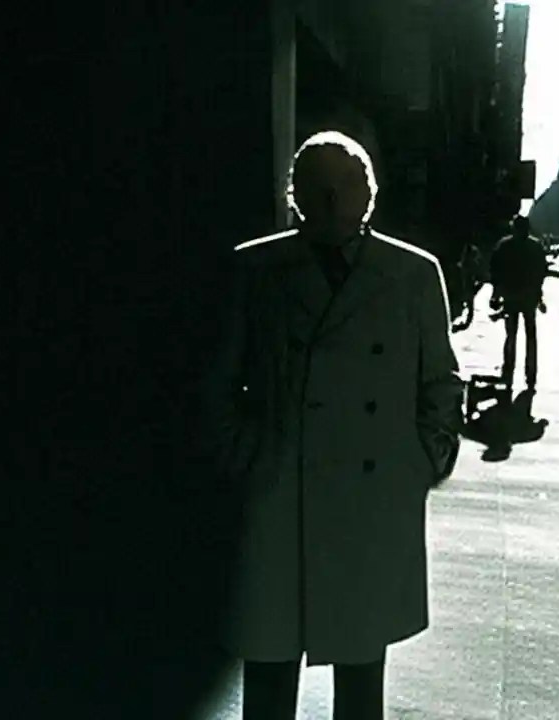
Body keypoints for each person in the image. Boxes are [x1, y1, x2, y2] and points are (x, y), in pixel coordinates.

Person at [200, 130, 464, 720]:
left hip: (369, 503)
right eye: (314, 186)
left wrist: (420, 461)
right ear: (294, 194)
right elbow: (218, 381)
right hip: (277, 496)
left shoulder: (413, 275)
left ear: (367, 195)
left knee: (361, 678)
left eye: (343, 187)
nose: (328, 200)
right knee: (268, 672)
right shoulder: (256, 268)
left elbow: (442, 383)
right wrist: (244, 456)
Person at [489, 215, 549, 391]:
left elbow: (496, 271)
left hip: (511, 296)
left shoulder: (505, 246)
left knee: (511, 336)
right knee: (531, 337)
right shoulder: (535, 247)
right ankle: (531, 376)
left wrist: (496, 294)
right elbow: (541, 273)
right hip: (528, 298)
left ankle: (508, 372)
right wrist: (538, 296)